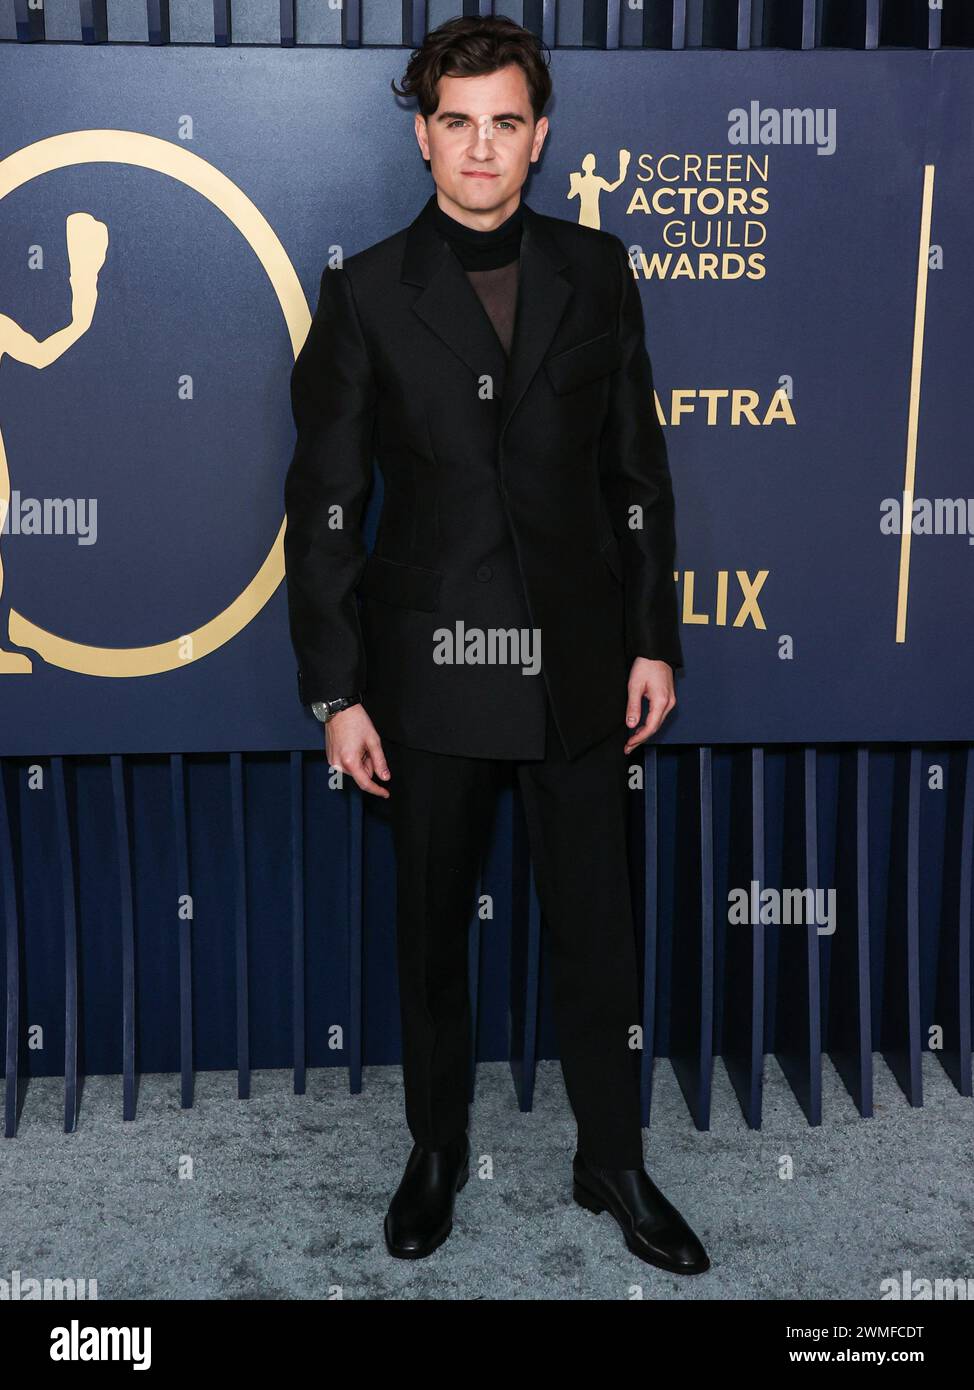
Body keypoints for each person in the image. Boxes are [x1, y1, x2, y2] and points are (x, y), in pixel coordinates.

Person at [283, 14, 709, 1274]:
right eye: (456, 123)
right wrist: (336, 692)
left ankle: (612, 1159)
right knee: (430, 931)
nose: (481, 148)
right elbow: (321, 506)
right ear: (422, 137)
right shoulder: (363, 293)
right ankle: (433, 1153)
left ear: (540, 136)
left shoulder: (597, 270)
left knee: (597, 927)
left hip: (581, 670)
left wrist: (650, 638)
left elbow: (637, 469)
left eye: (504, 122)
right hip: (427, 673)